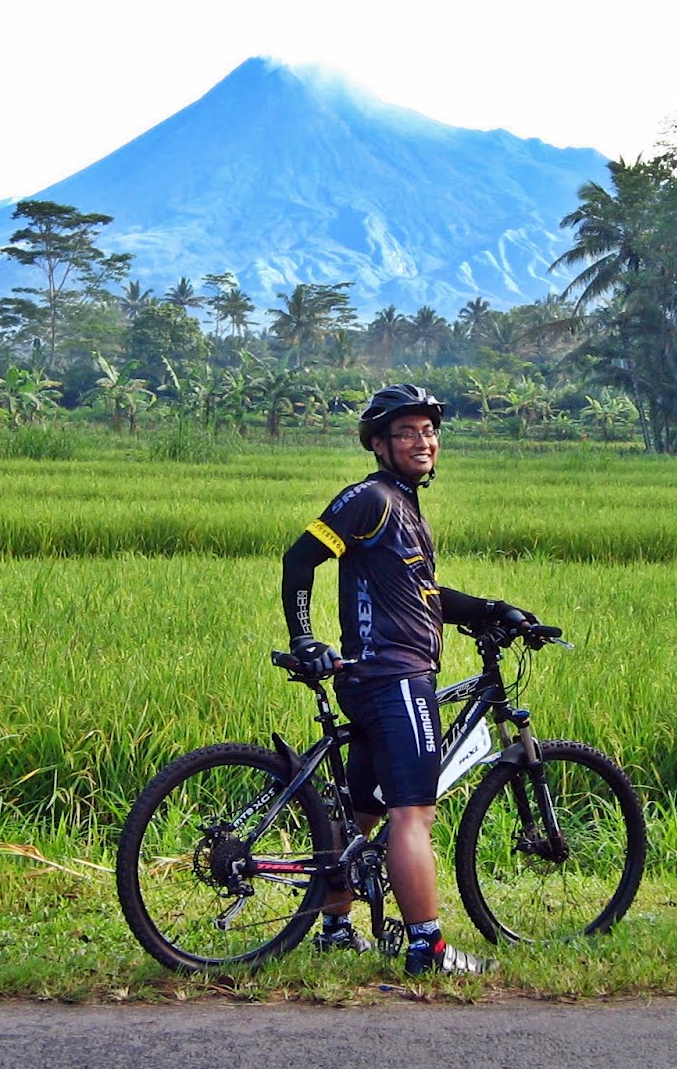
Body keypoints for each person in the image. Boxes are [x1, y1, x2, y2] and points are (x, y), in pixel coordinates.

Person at [280, 383, 536, 976]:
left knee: (364, 808)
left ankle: (337, 927)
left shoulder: (402, 505)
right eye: (406, 432)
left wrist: (493, 610)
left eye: (428, 431)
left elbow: (423, 595)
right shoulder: (370, 498)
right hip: (394, 677)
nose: (423, 441)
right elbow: (300, 559)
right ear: (378, 443)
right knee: (413, 811)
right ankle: (429, 947)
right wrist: (302, 637)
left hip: (377, 678)